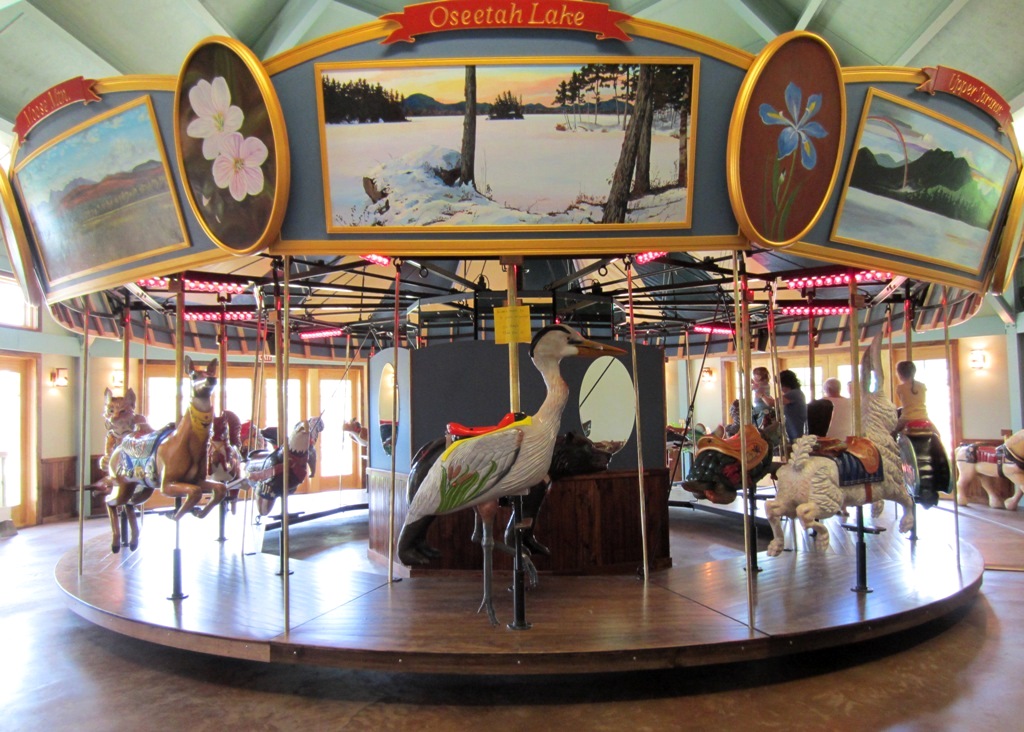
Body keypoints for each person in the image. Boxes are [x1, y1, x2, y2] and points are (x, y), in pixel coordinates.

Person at [895, 360, 929, 433]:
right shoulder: (922, 386)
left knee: (892, 434)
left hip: (906, 418)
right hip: (923, 417)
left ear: (900, 375)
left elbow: (904, 402)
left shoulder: (900, 388)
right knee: (937, 434)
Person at [779, 369, 807, 441]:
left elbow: (773, 402)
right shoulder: (797, 392)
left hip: (796, 429)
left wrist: (762, 395)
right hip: (793, 427)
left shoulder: (793, 394)